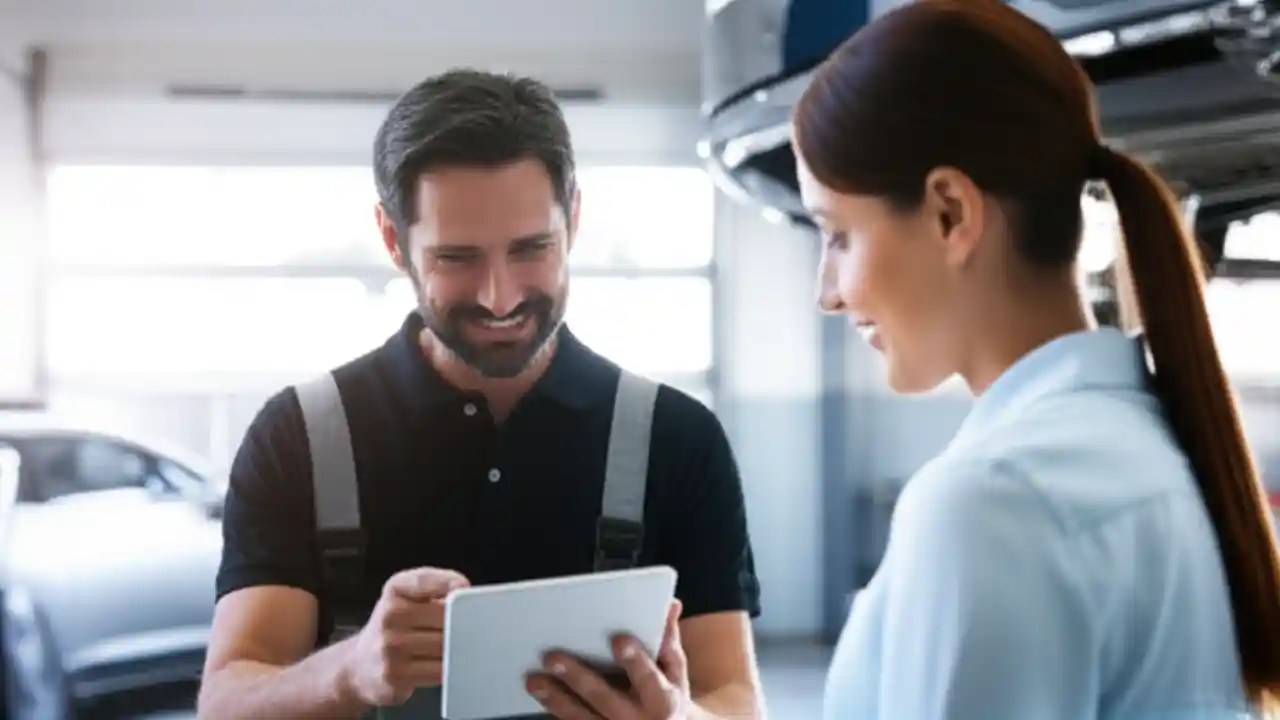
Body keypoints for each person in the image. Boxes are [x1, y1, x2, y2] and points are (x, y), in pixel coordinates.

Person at [196, 69, 763, 720]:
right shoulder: (299, 436)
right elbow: (226, 702)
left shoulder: (678, 440)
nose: (502, 296)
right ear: (393, 241)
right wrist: (348, 671)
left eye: (532, 249)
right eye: (457, 258)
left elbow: (736, 700)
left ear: (573, 219)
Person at [790, 1, 1280, 718]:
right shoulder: (1156, 445)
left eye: (837, 236)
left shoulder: (991, 501)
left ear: (950, 213)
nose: (826, 294)